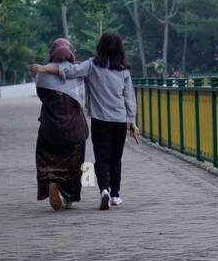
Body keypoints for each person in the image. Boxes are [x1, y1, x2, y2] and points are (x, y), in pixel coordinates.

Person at [31, 32, 139, 209]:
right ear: (120, 49)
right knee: (116, 158)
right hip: (119, 120)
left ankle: (104, 189)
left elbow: (69, 71)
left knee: (102, 158)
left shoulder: (91, 65)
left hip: (100, 120)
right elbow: (129, 97)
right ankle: (115, 195)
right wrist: (132, 122)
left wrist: (44, 69)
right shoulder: (124, 70)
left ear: (100, 48)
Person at [30, 38, 88, 210]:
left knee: (46, 155)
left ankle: (52, 180)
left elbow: (42, 97)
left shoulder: (41, 76)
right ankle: (67, 196)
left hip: (50, 127)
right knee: (74, 164)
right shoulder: (77, 75)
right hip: (74, 128)